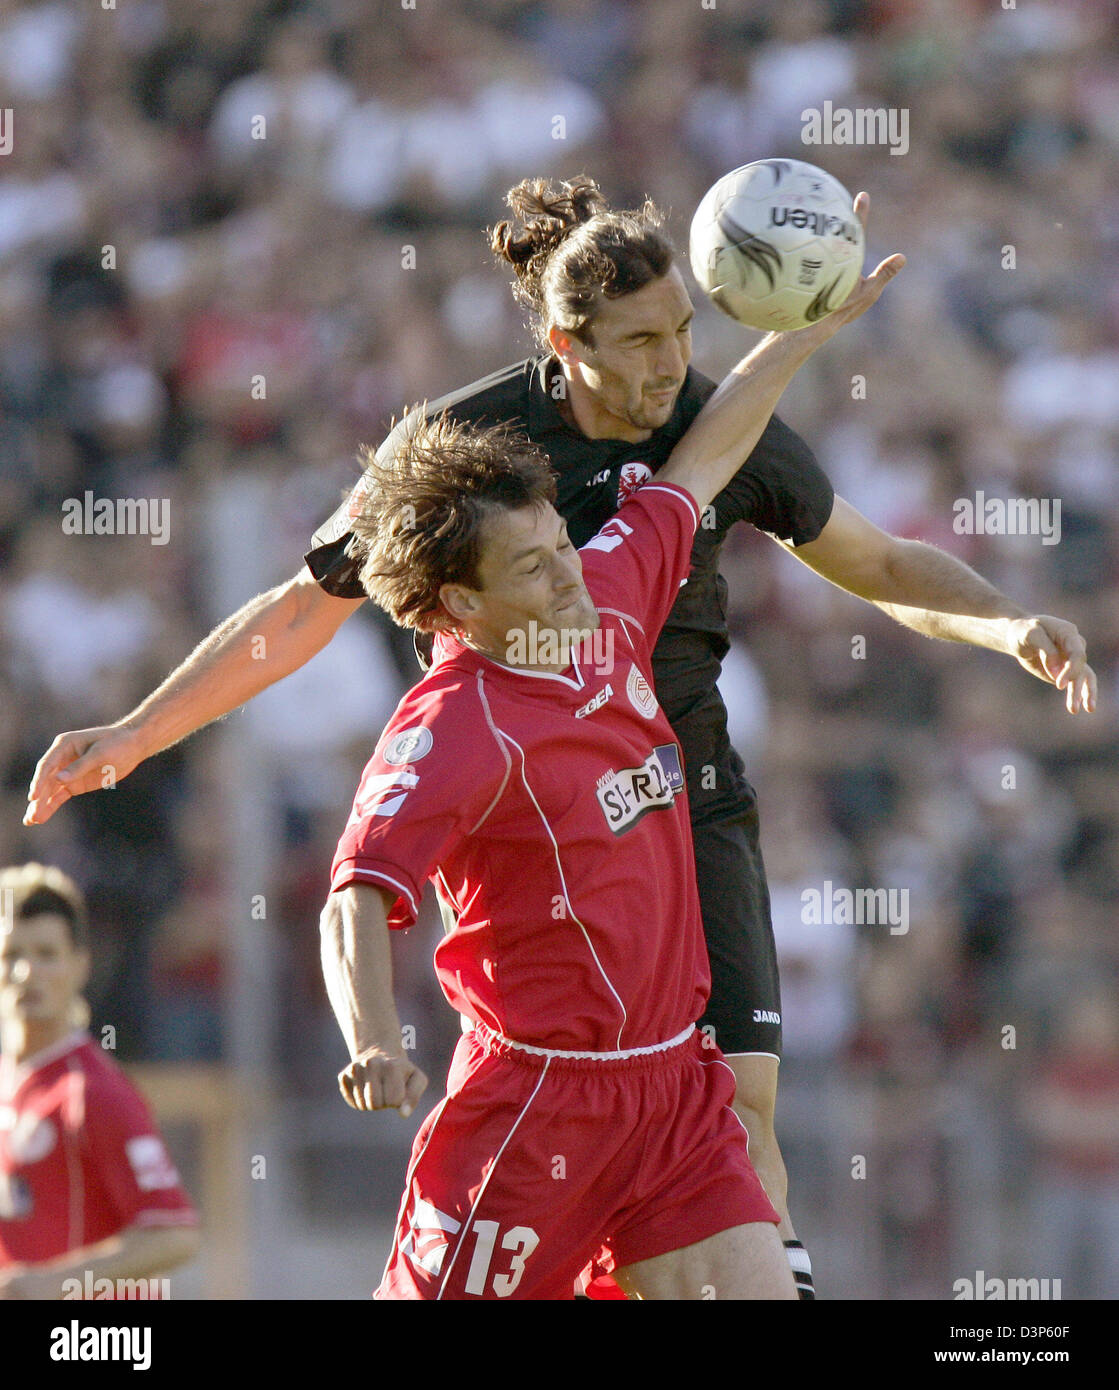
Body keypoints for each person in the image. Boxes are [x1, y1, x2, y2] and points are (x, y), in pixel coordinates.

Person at [25, 179, 1095, 1299]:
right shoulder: (466, 472)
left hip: (683, 795)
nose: (673, 362)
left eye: (685, 332)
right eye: (642, 341)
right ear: (563, 341)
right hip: (534, 818)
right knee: (584, 1086)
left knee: (743, 1103)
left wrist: (1004, 619)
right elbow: (303, 609)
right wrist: (141, 730)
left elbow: (860, 555)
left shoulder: (667, 490)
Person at [322, 244, 904, 1298]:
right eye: (536, 567)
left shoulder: (609, 608)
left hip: (674, 1099)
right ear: (459, 607)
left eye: (561, 543)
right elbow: (358, 892)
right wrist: (372, 1037)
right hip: (533, 1116)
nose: (570, 574)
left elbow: (701, 464)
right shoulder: (454, 726)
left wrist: (804, 333)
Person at [0, 863, 199, 1300]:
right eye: (11, 955)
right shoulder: (9, 1084)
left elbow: (173, 1233)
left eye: (46, 954)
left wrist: (55, 1283)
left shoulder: (91, 1091)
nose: (26, 973)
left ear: (79, 966)